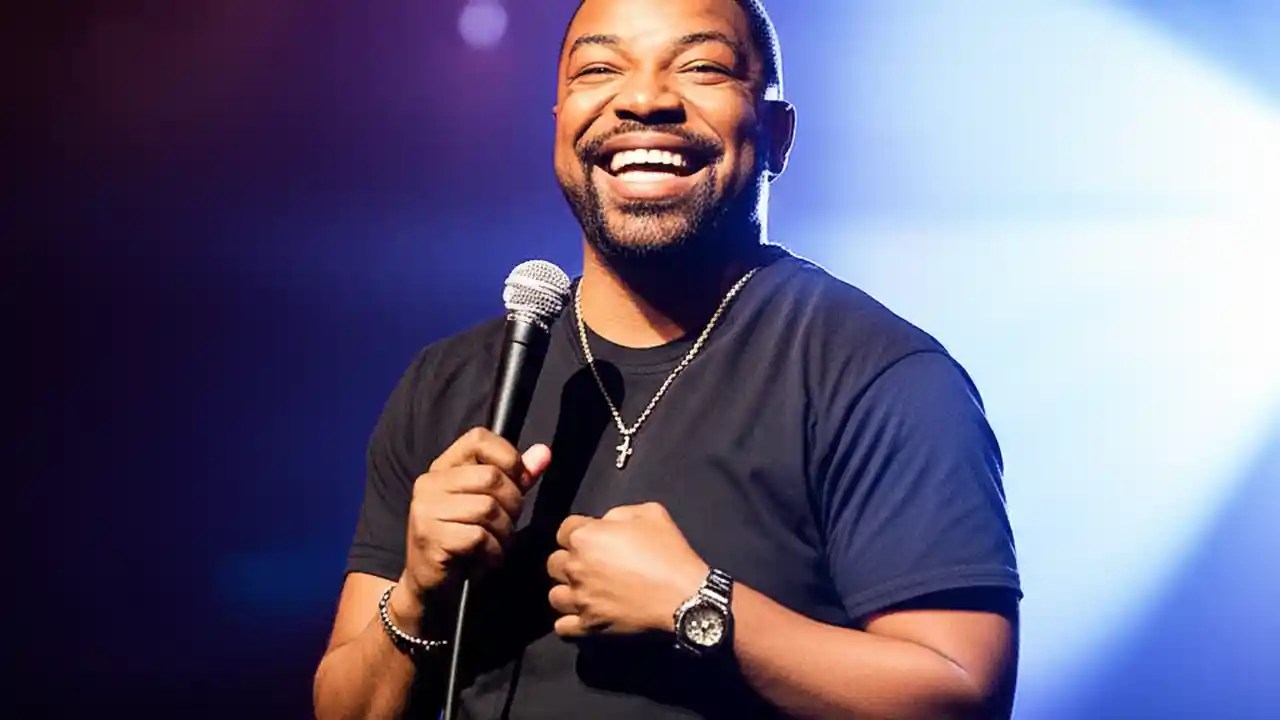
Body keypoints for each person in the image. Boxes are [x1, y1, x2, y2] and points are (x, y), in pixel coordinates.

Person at [313, 0, 1022, 717]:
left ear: (776, 135)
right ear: (558, 124)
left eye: (702, 67)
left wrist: (699, 609)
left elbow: (961, 694)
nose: (645, 99)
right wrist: (418, 597)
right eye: (599, 68)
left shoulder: (877, 375)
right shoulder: (455, 384)